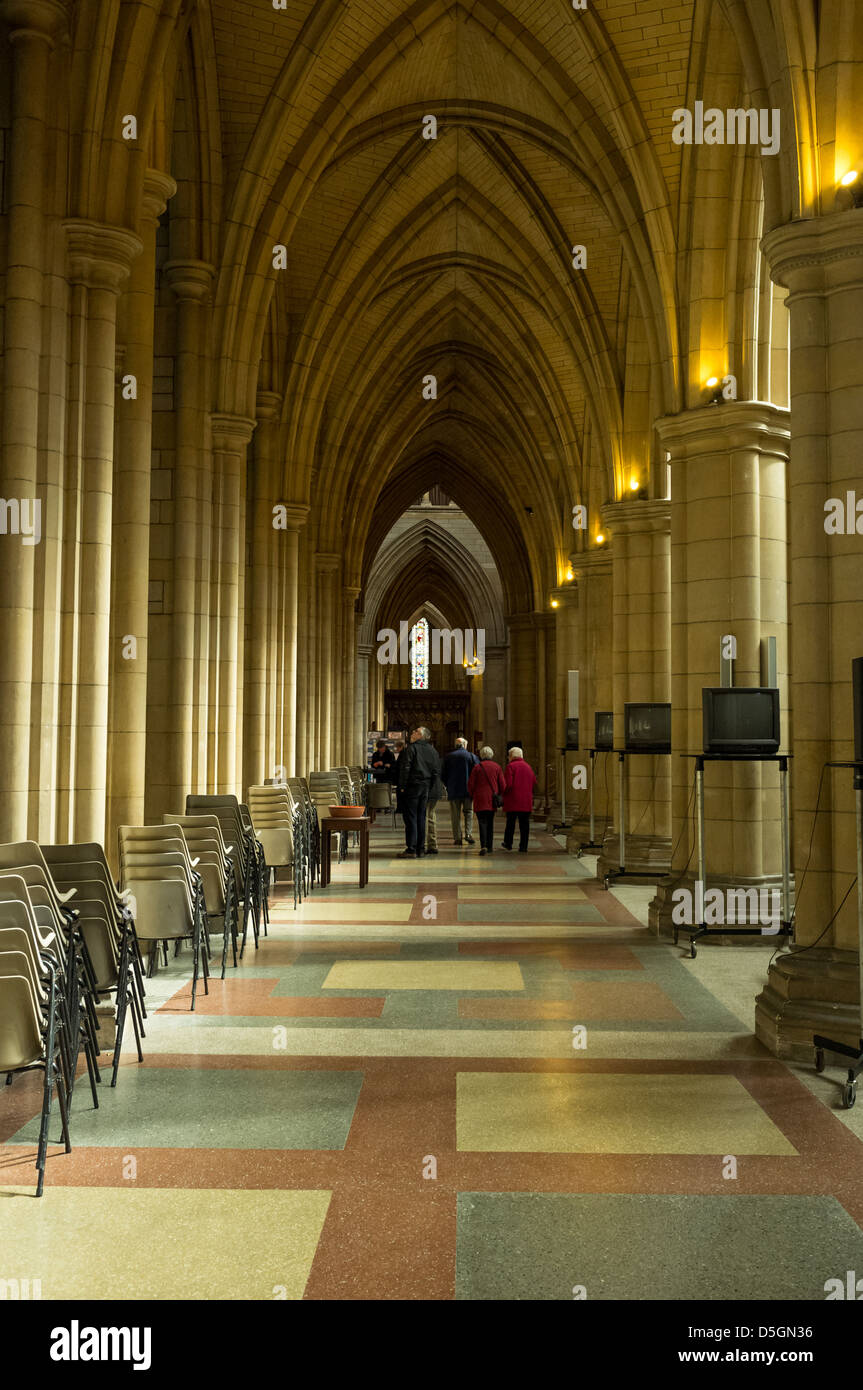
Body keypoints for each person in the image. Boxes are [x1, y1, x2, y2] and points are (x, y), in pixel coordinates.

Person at [397, 726, 441, 859]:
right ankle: (421, 849)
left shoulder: (412, 748)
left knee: (411, 817)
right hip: (425, 787)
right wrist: (429, 786)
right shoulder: (432, 750)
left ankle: (411, 848)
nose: (412, 733)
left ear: (421, 735)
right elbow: (436, 771)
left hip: (412, 786)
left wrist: (402, 786)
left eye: (415, 732)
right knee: (421, 817)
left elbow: (406, 768)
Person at [467, 745, 505, 856]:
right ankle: (490, 846)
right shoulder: (497, 767)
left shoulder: (477, 767)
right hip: (492, 799)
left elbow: (471, 784)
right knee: (490, 823)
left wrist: (472, 794)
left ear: (481, 755)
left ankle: (483, 845)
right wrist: (499, 794)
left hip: (480, 799)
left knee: (482, 823)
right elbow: (503, 785)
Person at [442, 736, 478, 845]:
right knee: (468, 812)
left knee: (455, 815)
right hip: (468, 790)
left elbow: (443, 774)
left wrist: (448, 785)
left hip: (453, 790)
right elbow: (477, 773)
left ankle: (457, 837)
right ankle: (468, 833)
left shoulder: (448, 757)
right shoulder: (472, 756)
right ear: (465, 745)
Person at [501, 746, 537, 852]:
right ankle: (523, 846)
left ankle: (508, 843)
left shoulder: (510, 767)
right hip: (526, 801)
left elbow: (508, 784)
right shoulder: (528, 767)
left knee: (510, 823)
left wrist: (503, 793)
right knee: (524, 825)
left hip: (513, 800)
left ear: (511, 756)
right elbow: (534, 781)